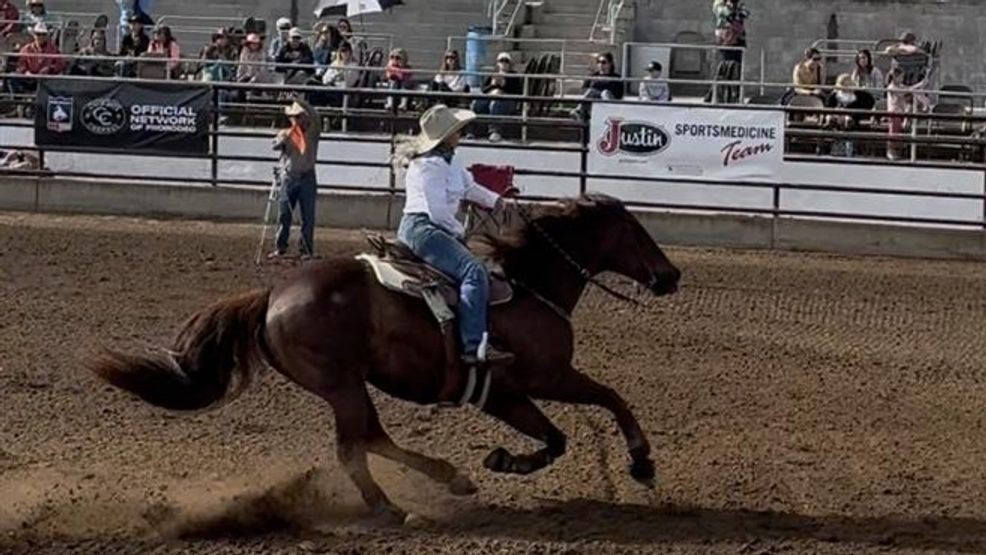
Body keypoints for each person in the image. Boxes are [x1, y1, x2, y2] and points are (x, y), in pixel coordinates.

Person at [396, 104, 514, 402]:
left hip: (431, 228)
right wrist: (459, 232)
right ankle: (473, 345)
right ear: (447, 135)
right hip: (424, 229)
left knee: (476, 267)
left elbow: (470, 188)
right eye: (457, 130)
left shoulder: (449, 162)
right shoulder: (429, 166)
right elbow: (436, 212)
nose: (461, 133)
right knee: (473, 270)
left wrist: (497, 201)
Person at [271, 99, 322, 260]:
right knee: (284, 215)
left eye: (299, 116)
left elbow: (315, 117)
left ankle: (306, 249)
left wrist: (302, 102)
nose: (297, 120)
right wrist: (284, 138)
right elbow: (274, 145)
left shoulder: (312, 133)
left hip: (307, 177)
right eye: (295, 117)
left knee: (308, 217)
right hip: (289, 177)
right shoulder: (286, 133)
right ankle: (280, 247)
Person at [470, 52, 522, 142]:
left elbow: (517, 92)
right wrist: (493, 85)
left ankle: (495, 131)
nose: (504, 63)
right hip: (491, 96)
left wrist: (504, 85)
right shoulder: (494, 75)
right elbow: (484, 89)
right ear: (497, 63)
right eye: (501, 61)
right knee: (477, 103)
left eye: (506, 61)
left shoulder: (514, 76)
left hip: (507, 99)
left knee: (496, 104)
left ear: (510, 64)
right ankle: (473, 130)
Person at [885, 65, 931, 161]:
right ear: (895, 77)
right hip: (894, 113)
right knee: (894, 133)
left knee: (900, 132)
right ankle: (891, 151)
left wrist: (922, 83)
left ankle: (899, 150)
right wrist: (919, 85)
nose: (902, 79)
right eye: (901, 77)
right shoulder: (891, 87)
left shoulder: (901, 86)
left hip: (901, 112)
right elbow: (905, 91)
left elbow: (911, 88)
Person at [10, 23, 63, 94]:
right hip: (29, 78)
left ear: (47, 36)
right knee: (13, 76)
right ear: (34, 35)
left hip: (46, 79)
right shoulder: (27, 49)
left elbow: (59, 65)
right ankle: (20, 97)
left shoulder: (54, 49)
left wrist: (49, 69)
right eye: (38, 34)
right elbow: (21, 64)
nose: (41, 37)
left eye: (43, 34)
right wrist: (26, 72)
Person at [571, 52, 623, 119]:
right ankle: (578, 111)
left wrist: (601, 92)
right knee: (590, 91)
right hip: (593, 101)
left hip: (608, 101)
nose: (600, 65)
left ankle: (610, 114)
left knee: (605, 93)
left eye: (603, 62)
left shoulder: (616, 77)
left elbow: (619, 94)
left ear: (610, 64)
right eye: (598, 62)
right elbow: (583, 89)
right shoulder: (593, 76)